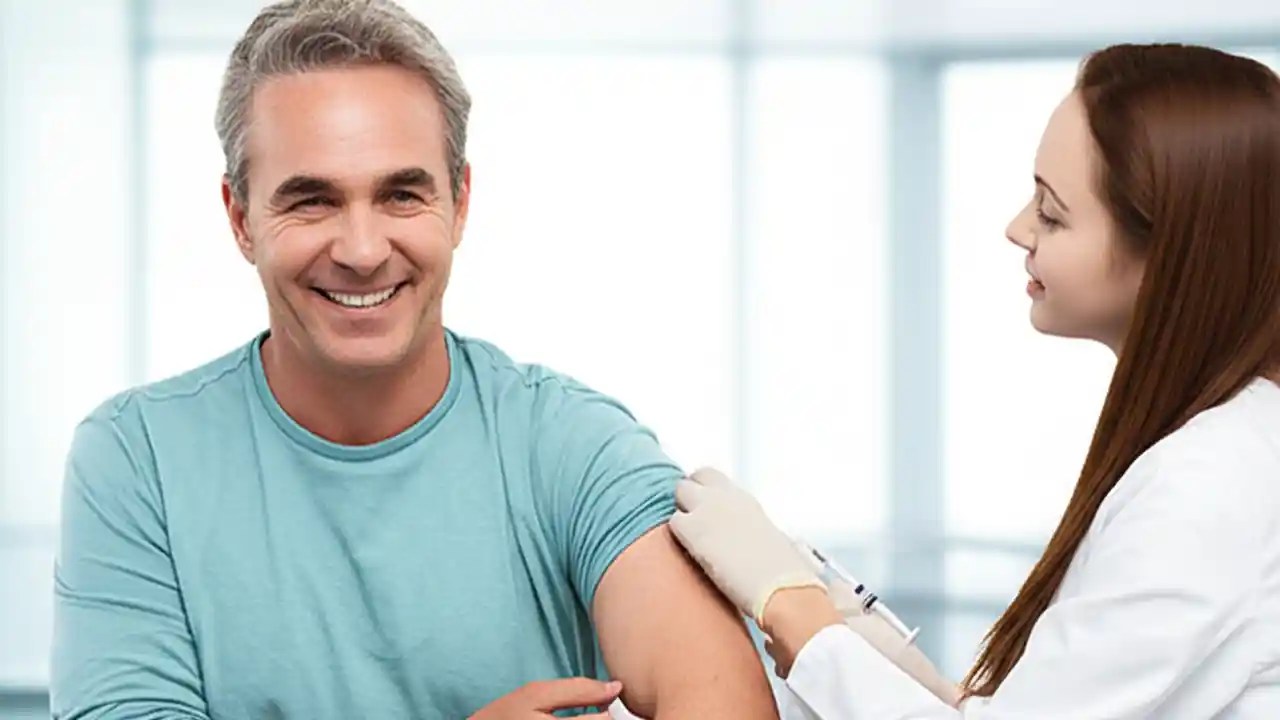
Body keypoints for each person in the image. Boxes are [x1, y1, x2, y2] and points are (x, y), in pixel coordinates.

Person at [49, 1, 779, 718]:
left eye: (401, 194)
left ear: (459, 203)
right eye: (311, 202)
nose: (362, 251)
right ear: (241, 218)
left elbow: (725, 706)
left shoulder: (572, 446)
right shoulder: (137, 459)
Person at [671, 42, 1280, 718]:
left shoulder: (1205, 485)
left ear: (1168, 252)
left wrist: (790, 605)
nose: (1018, 229)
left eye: (1052, 212)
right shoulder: (1227, 453)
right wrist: (916, 683)